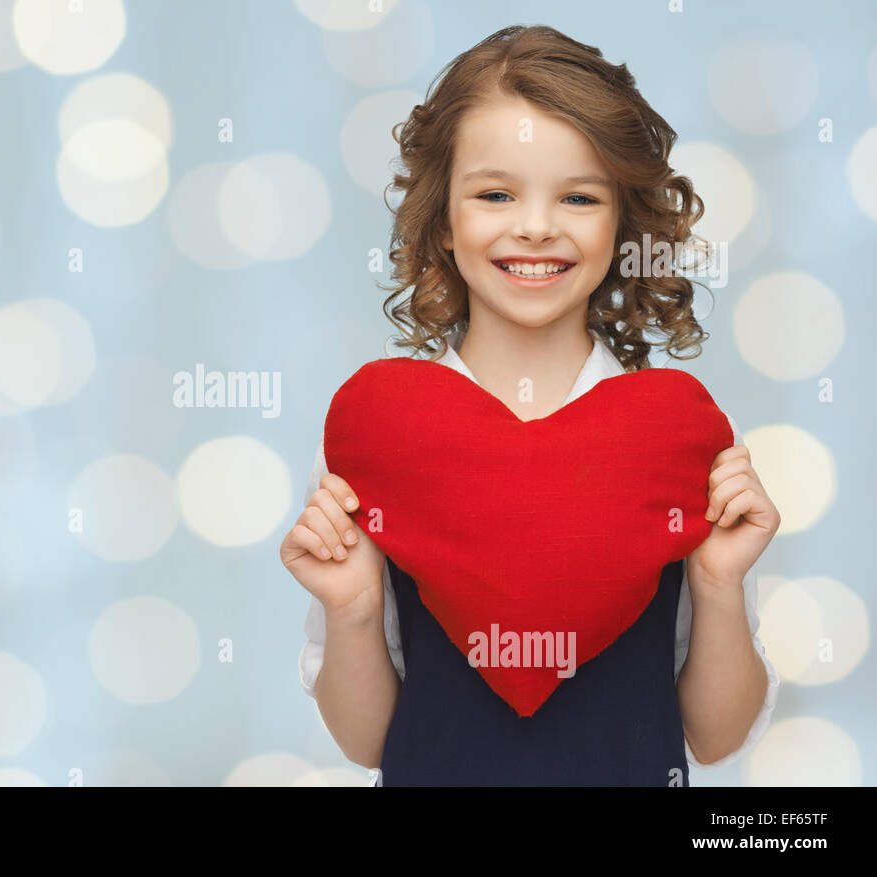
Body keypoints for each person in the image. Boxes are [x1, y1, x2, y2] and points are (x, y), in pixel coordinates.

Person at [278, 24, 780, 786]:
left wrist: (717, 583)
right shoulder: (378, 437)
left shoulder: (683, 437)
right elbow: (370, 741)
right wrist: (351, 608)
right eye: (495, 193)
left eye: (579, 196)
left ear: (622, 226)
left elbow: (715, 738)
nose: (537, 225)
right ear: (444, 219)